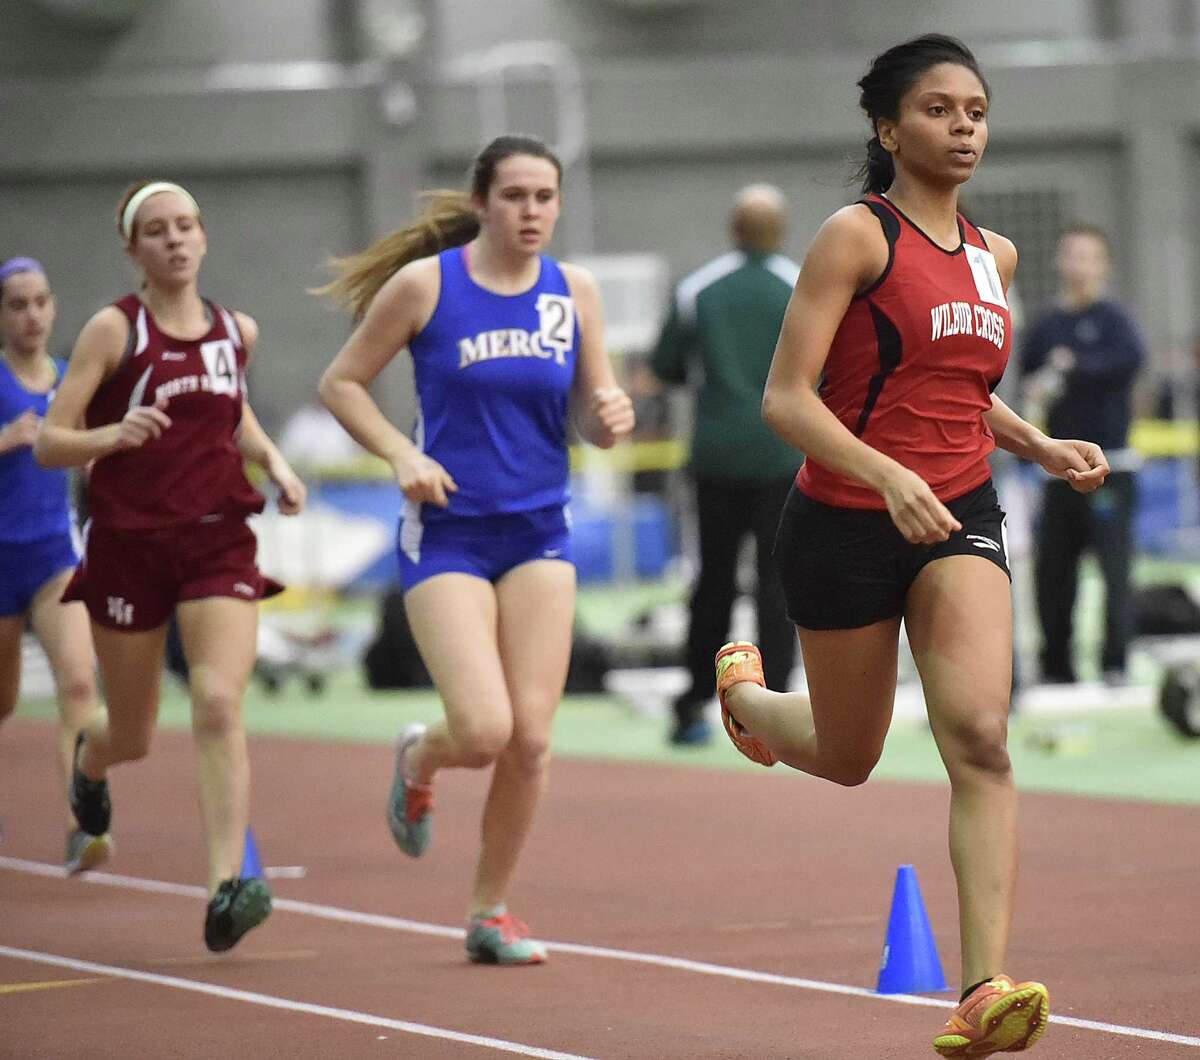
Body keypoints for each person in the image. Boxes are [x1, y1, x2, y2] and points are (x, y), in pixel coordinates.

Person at [714, 36, 1110, 1057]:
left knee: (979, 734)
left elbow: (964, 390)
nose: (965, 126)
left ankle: (983, 987)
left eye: (977, 109)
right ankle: (751, 703)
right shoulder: (856, 237)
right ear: (890, 128)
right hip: (845, 517)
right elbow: (785, 398)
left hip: (960, 511)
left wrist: (1036, 443)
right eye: (940, 109)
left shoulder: (997, 256)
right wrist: (885, 475)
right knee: (851, 756)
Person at [317, 135, 635, 965]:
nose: (532, 212)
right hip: (449, 530)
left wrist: (610, 417)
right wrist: (402, 454)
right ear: (482, 203)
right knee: (485, 729)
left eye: (544, 197)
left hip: (540, 531)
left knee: (532, 739)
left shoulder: (574, 292)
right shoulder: (429, 284)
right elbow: (341, 383)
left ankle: (489, 912)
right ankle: (421, 757)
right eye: (516, 196)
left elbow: (592, 412)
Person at [34, 180, 307, 952]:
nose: (176, 240)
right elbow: (54, 440)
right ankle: (91, 760)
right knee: (135, 732)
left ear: (204, 237)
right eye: (158, 231)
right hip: (130, 546)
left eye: (187, 226)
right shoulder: (111, 333)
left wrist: (276, 463)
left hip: (219, 535)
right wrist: (111, 436)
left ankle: (227, 885)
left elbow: (233, 410)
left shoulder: (235, 331)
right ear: (134, 250)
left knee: (220, 701)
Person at [649, 184, 803, 746]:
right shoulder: (798, 286)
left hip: (714, 457)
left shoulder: (697, 290)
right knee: (777, 582)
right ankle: (776, 707)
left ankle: (693, 705)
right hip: (783, 455)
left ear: (733, 229)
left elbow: (665, 365)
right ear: (780, 230)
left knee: (712, 581)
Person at [0, 256, 107, 873]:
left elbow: (91, 452)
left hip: (53, 557)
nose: (32, 315)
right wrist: (7, 438)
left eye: (40, 301)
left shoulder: (70, 380)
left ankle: (80, 824)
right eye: (18, 304)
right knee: (4, 699)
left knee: (78, 684)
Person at [1019, 224, 1144, 685]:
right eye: (1070, 254)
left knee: (1113, 568)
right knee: (1053, 574)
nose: (1078, 264)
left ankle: (1115, 663)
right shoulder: (1046, 326)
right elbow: (1026, 378)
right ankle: (1057, 668)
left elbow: (1129, 363)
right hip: (1058, 472)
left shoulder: (1115, 321)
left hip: (1111, 466)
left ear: (1102, 265)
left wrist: (1076, 368)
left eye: (1088, 256)